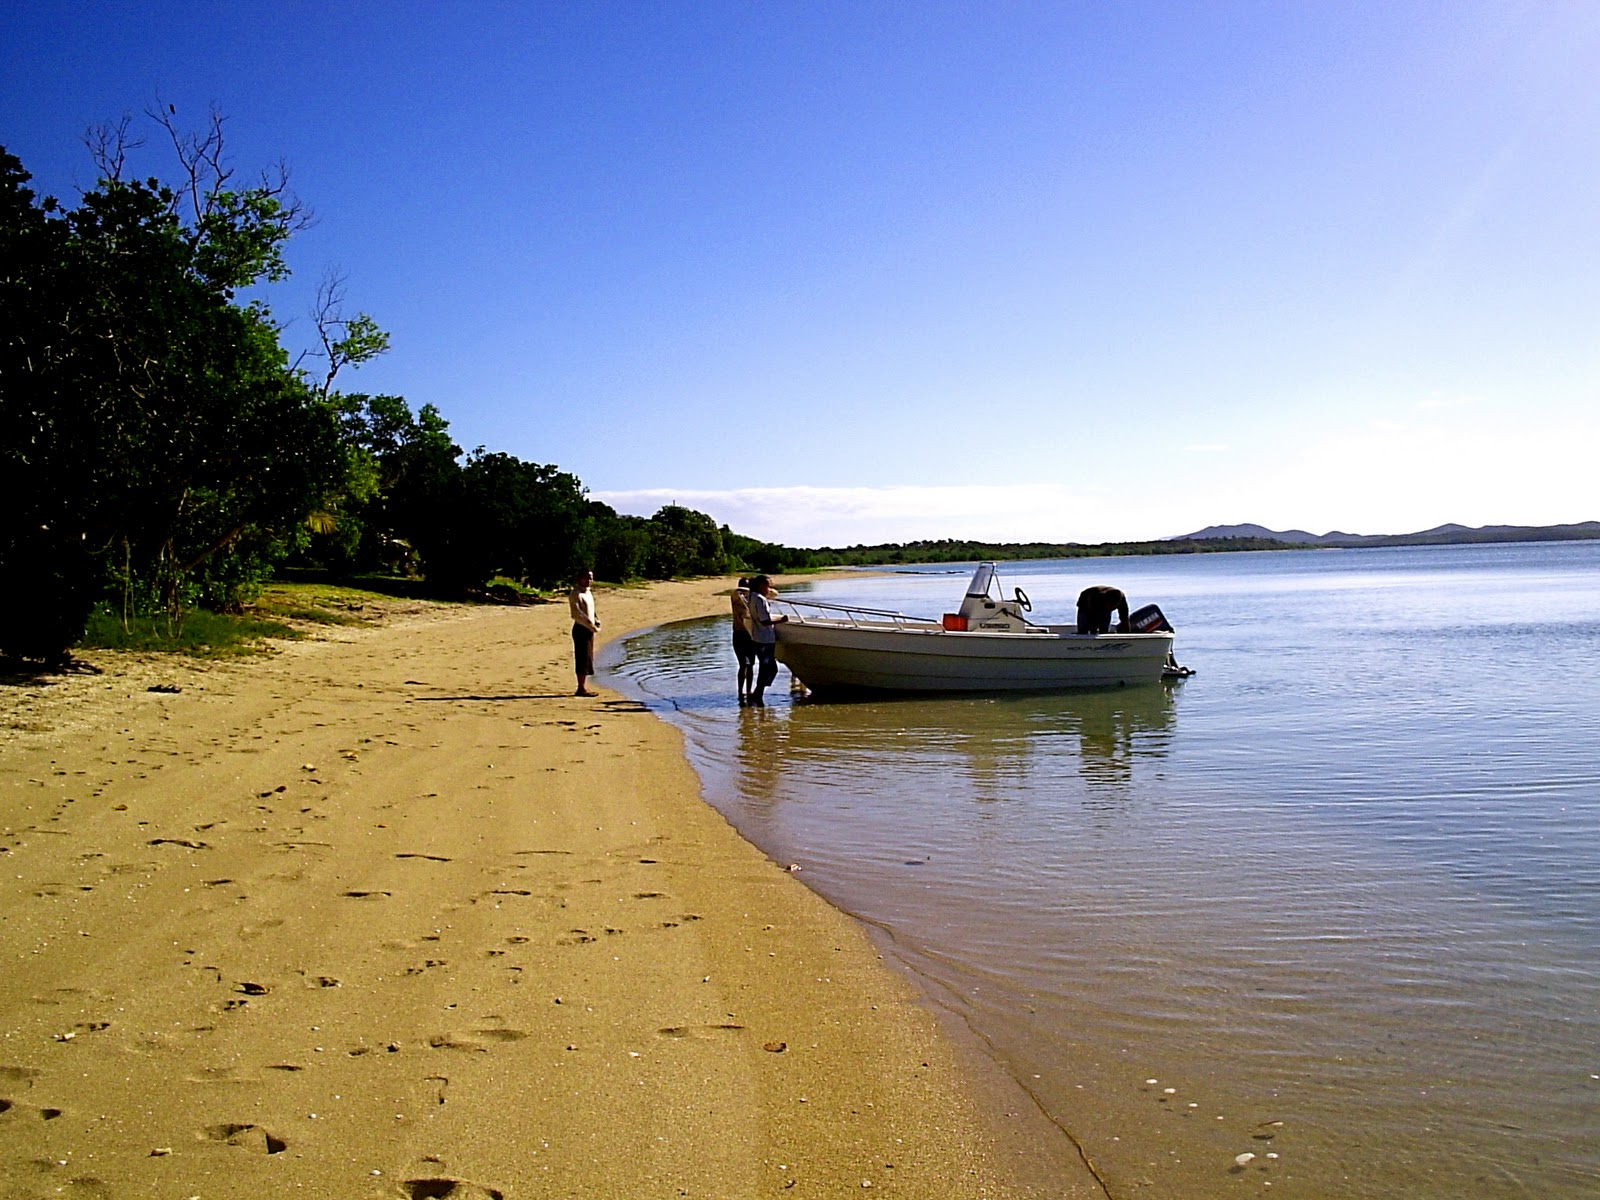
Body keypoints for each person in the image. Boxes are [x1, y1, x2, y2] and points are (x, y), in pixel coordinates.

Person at [746, 574, 787, 706]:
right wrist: (781, 620)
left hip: (758, 637)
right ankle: (758, 694)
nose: (769, 589)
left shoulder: (752, 597)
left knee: (767, 667)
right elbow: (764, 621)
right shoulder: (760, 599)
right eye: (767, 586)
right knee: (769, 668)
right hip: (765, 638)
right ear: (761, 586)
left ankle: (758, 693)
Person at [569, 568, 600, 696]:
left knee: (588, 657)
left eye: (590, 578)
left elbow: (591, 610)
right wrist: (590, 625)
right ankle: (581, 688)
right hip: (581, 628)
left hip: (588, 629)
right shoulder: (575, 594)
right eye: (587, 578)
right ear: (580, 578)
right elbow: (577, 614)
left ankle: (583, 686)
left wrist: (596, 620)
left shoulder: (588, 592)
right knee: (582, 657)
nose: (589, 580)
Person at [730, 578, 757, 704]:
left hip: (750, 634)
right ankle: (741, 691)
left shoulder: (751, 599)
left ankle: (749, 690)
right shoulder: (736, 598)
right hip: (739, 633)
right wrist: (748, 591)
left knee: (750, 664)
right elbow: (737, 593)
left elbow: (773, 594)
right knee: (743, 664)